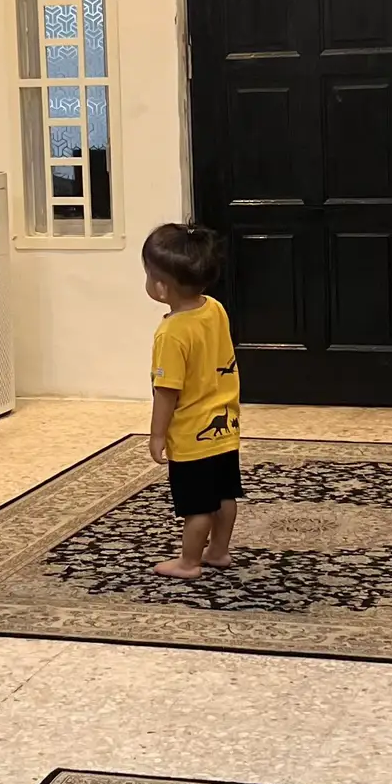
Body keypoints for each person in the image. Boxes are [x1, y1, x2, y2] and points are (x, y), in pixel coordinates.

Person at [143, 222, 241, 580]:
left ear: (160, 287)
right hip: (225, 428)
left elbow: (167, 391)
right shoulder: (214, 308)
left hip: (191, 437)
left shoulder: (171, 334)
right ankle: (219, 550)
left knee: (197, 506)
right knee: (225, 495)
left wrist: (157, 434)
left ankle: (188, 562)